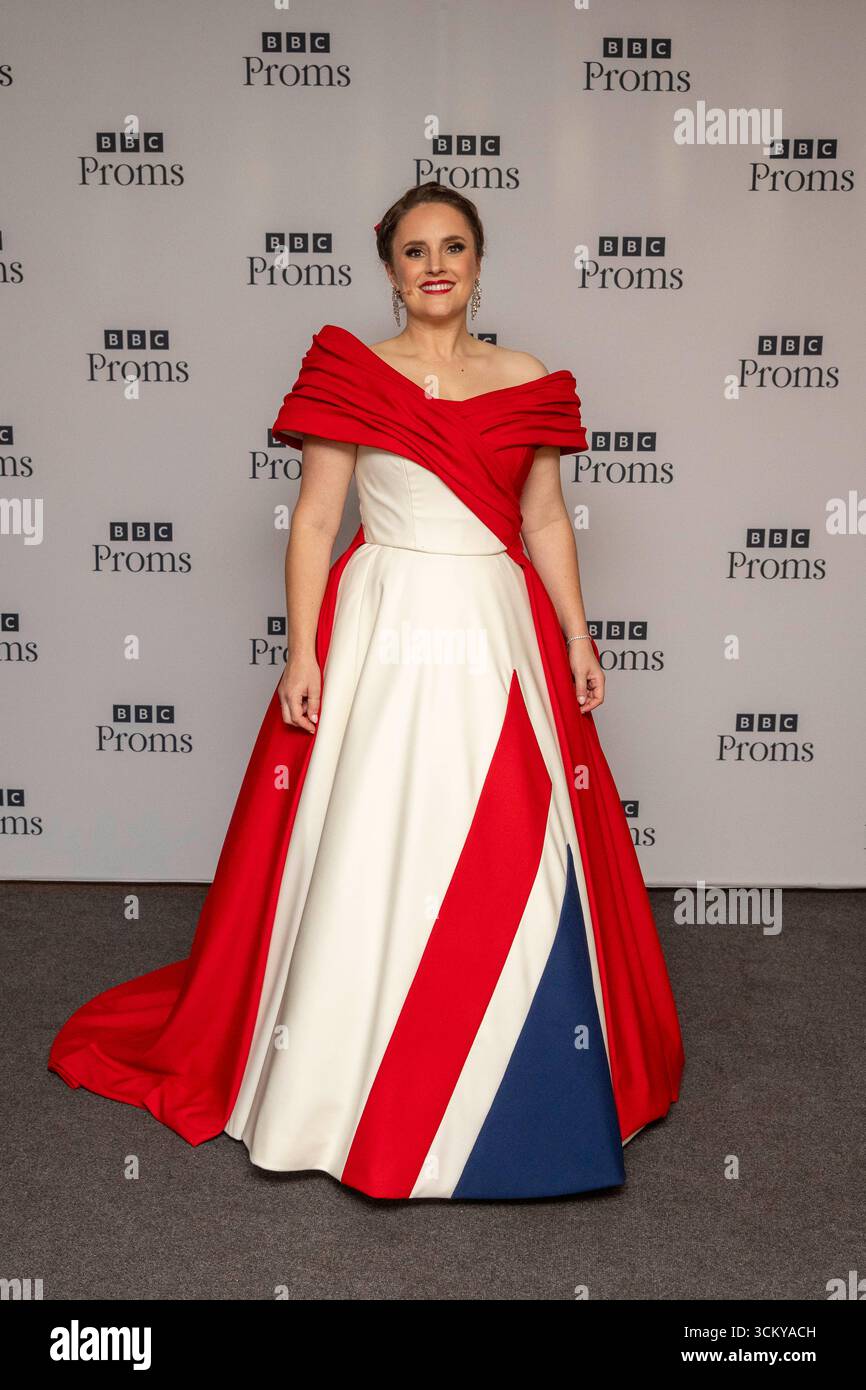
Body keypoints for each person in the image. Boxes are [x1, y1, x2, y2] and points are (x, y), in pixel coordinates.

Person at [48, 182, 684, 1200]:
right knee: (370, 834)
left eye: (455, 248)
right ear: (388, 267)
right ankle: (341, 1080)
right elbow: (312, 522)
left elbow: (547, 521)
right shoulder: (349, 371)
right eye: (415, 250)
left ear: (480, 264)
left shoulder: (525, 378)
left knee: (512, 841)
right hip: (384, 615)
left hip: (492, 621)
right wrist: (303, 652)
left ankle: (521, 1073)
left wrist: (574, 631)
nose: (435, 265)